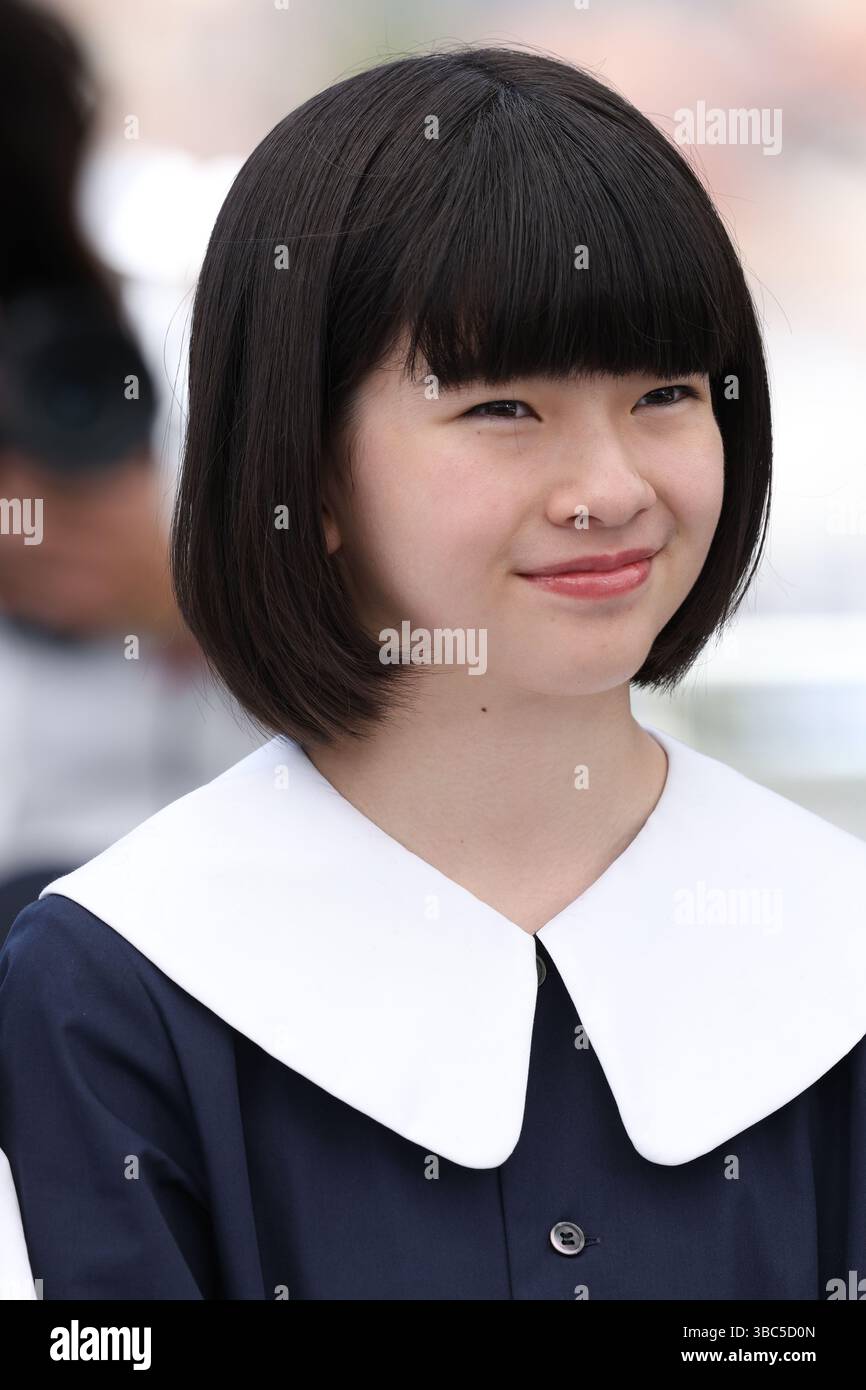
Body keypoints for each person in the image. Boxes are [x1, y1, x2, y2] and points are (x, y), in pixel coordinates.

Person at [1, 45, 865, 1302]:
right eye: (502, 407)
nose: (612, 489)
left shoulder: (830, 947)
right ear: (305, 466)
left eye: (666, 392)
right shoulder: (115, 988)